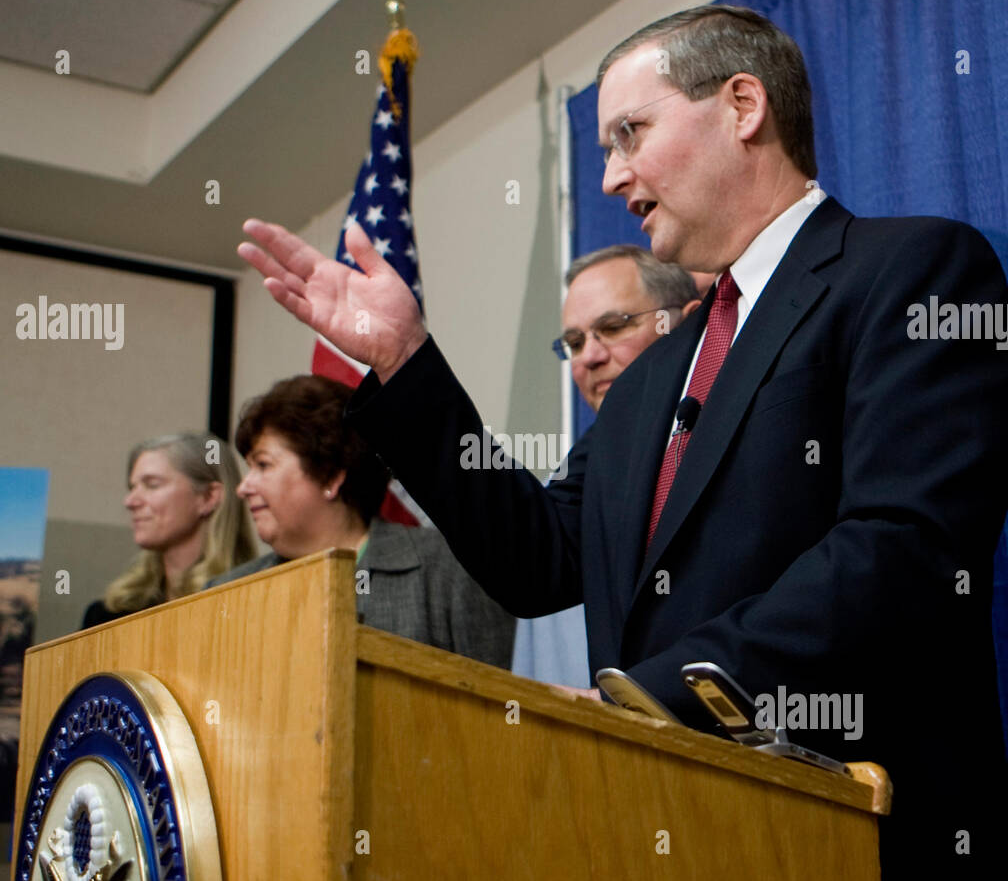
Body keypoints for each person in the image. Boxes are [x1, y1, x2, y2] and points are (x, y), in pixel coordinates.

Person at [236, 5, 1008, 881]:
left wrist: (651, 697)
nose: (612, 175)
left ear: (741, 105)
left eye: (630, 134)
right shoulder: (655, 375)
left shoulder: (915, 271)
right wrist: (405, 362)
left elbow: (905, 552)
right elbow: (538, 558)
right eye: (605, 144)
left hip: (865, 855)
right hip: (658, 855)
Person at [207, 374, 514, 669]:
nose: (244, 487)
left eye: (263, 465)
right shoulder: (225, 594)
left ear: (331, 475)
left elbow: (506, 703)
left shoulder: (448, 569)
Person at [513, 245, 699, 687]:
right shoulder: (559, 501)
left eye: (613, 327)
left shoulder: (735, 445)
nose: (589, 357)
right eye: (574, 343)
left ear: (688, 323)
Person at [83, 432, 256, 628]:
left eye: (152, 485)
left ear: (209, 497)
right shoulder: (109, 615)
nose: (130, 501)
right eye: (132, 487)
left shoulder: (252, 604)